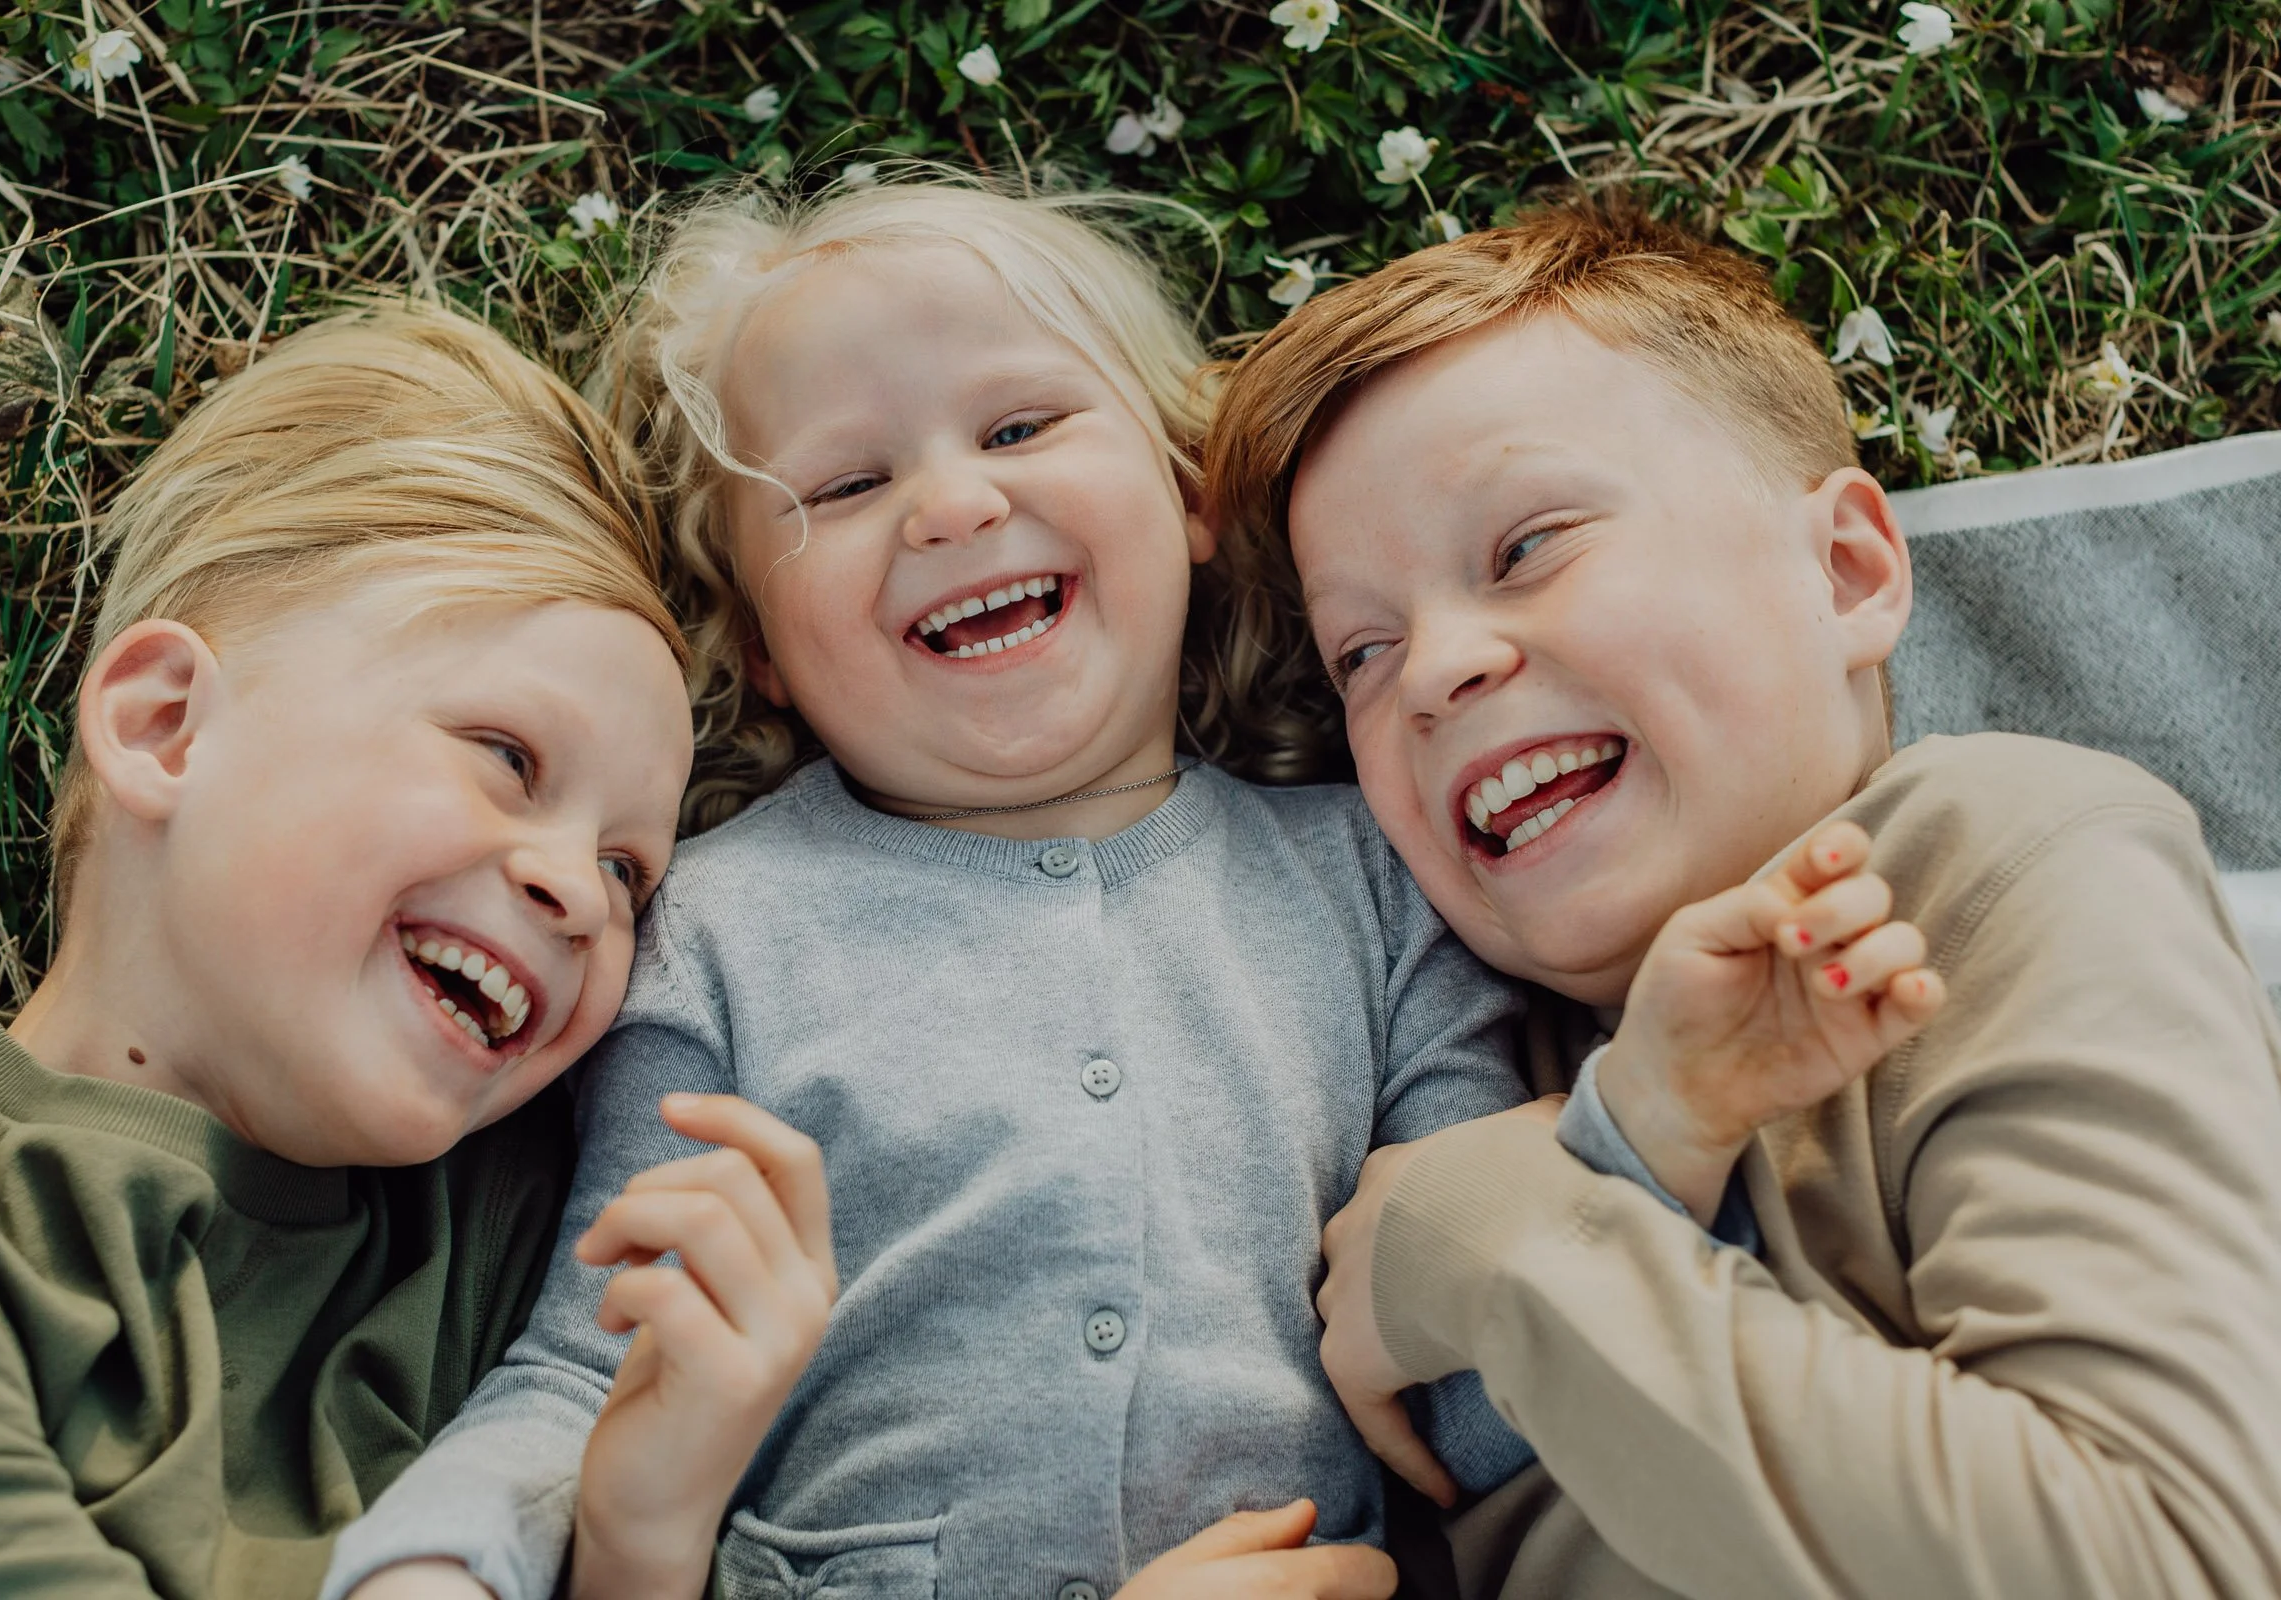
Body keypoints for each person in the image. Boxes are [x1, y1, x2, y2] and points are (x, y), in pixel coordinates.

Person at [322, 179, 1930, 1600]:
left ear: (1185, 497)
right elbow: (586, 1373)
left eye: (1020, 429)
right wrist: (435, 1559)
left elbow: (1469, 1395)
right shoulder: (718, 932)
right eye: (844, 487)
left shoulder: (1370, 882)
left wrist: (1650, 1133)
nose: (954, 504)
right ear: (760, 653)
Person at [1203, 201, 2281, 1597]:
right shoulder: (1418, 1059)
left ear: (1846, 573)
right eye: (1361, 649)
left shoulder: (1971, 863)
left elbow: (2170, 1560)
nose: (1434, 670)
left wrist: (1508, 1238)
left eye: (1527, 547)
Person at [0, 308, 715, 1598]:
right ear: (168, 727)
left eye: (629, 868)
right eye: (507, 756)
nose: (579, 895)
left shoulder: (529, 1239)